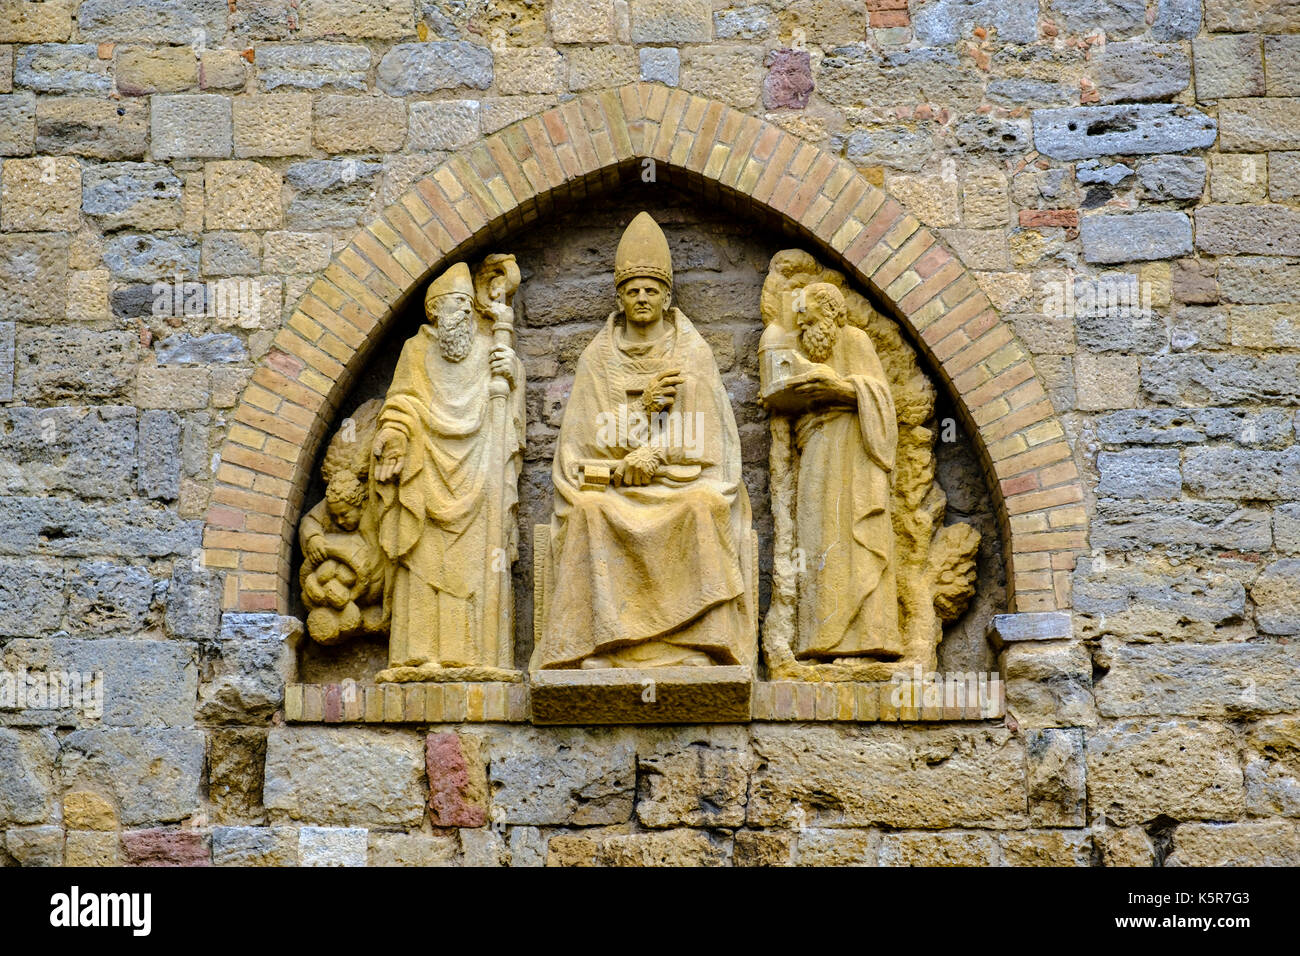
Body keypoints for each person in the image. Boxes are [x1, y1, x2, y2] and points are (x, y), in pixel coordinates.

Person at [533, 212, 755, 670]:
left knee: (703, 507)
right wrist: (640, 415)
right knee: (588, 512)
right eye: (632, 290)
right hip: (616, 491)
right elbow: (579, 448)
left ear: (667, 296)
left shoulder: (692, 353)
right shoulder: (598, 358)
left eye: (650, 290)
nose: (641, 298)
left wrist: (657, 453)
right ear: (619, 298)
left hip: (679, 485)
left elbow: (712, 440)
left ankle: (693, 646)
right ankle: (603, 648)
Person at [370, 261, 525, 679]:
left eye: (464, 305)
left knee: (478, 562)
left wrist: (512, 377)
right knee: (421, 559)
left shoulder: (492, 346)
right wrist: (394, 437)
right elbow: (401, 403)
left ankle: (479, 656)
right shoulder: (415, 351)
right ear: (434, 313)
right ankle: (415, 656)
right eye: (449, 306)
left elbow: (508, 404)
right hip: (425, 470)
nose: (460, 315)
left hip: (481, 468)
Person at [785, 281, 903, 660]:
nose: (804, 327)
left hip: (854, 451)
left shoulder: (854, 340)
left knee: (854, 535)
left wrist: (841, 389)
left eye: (809, 318)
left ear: (830, 312)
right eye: (800, 324)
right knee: (819, 536)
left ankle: (869, 636)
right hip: (817, 451)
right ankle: (821, 638)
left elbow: (881, 399)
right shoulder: (803, 350)